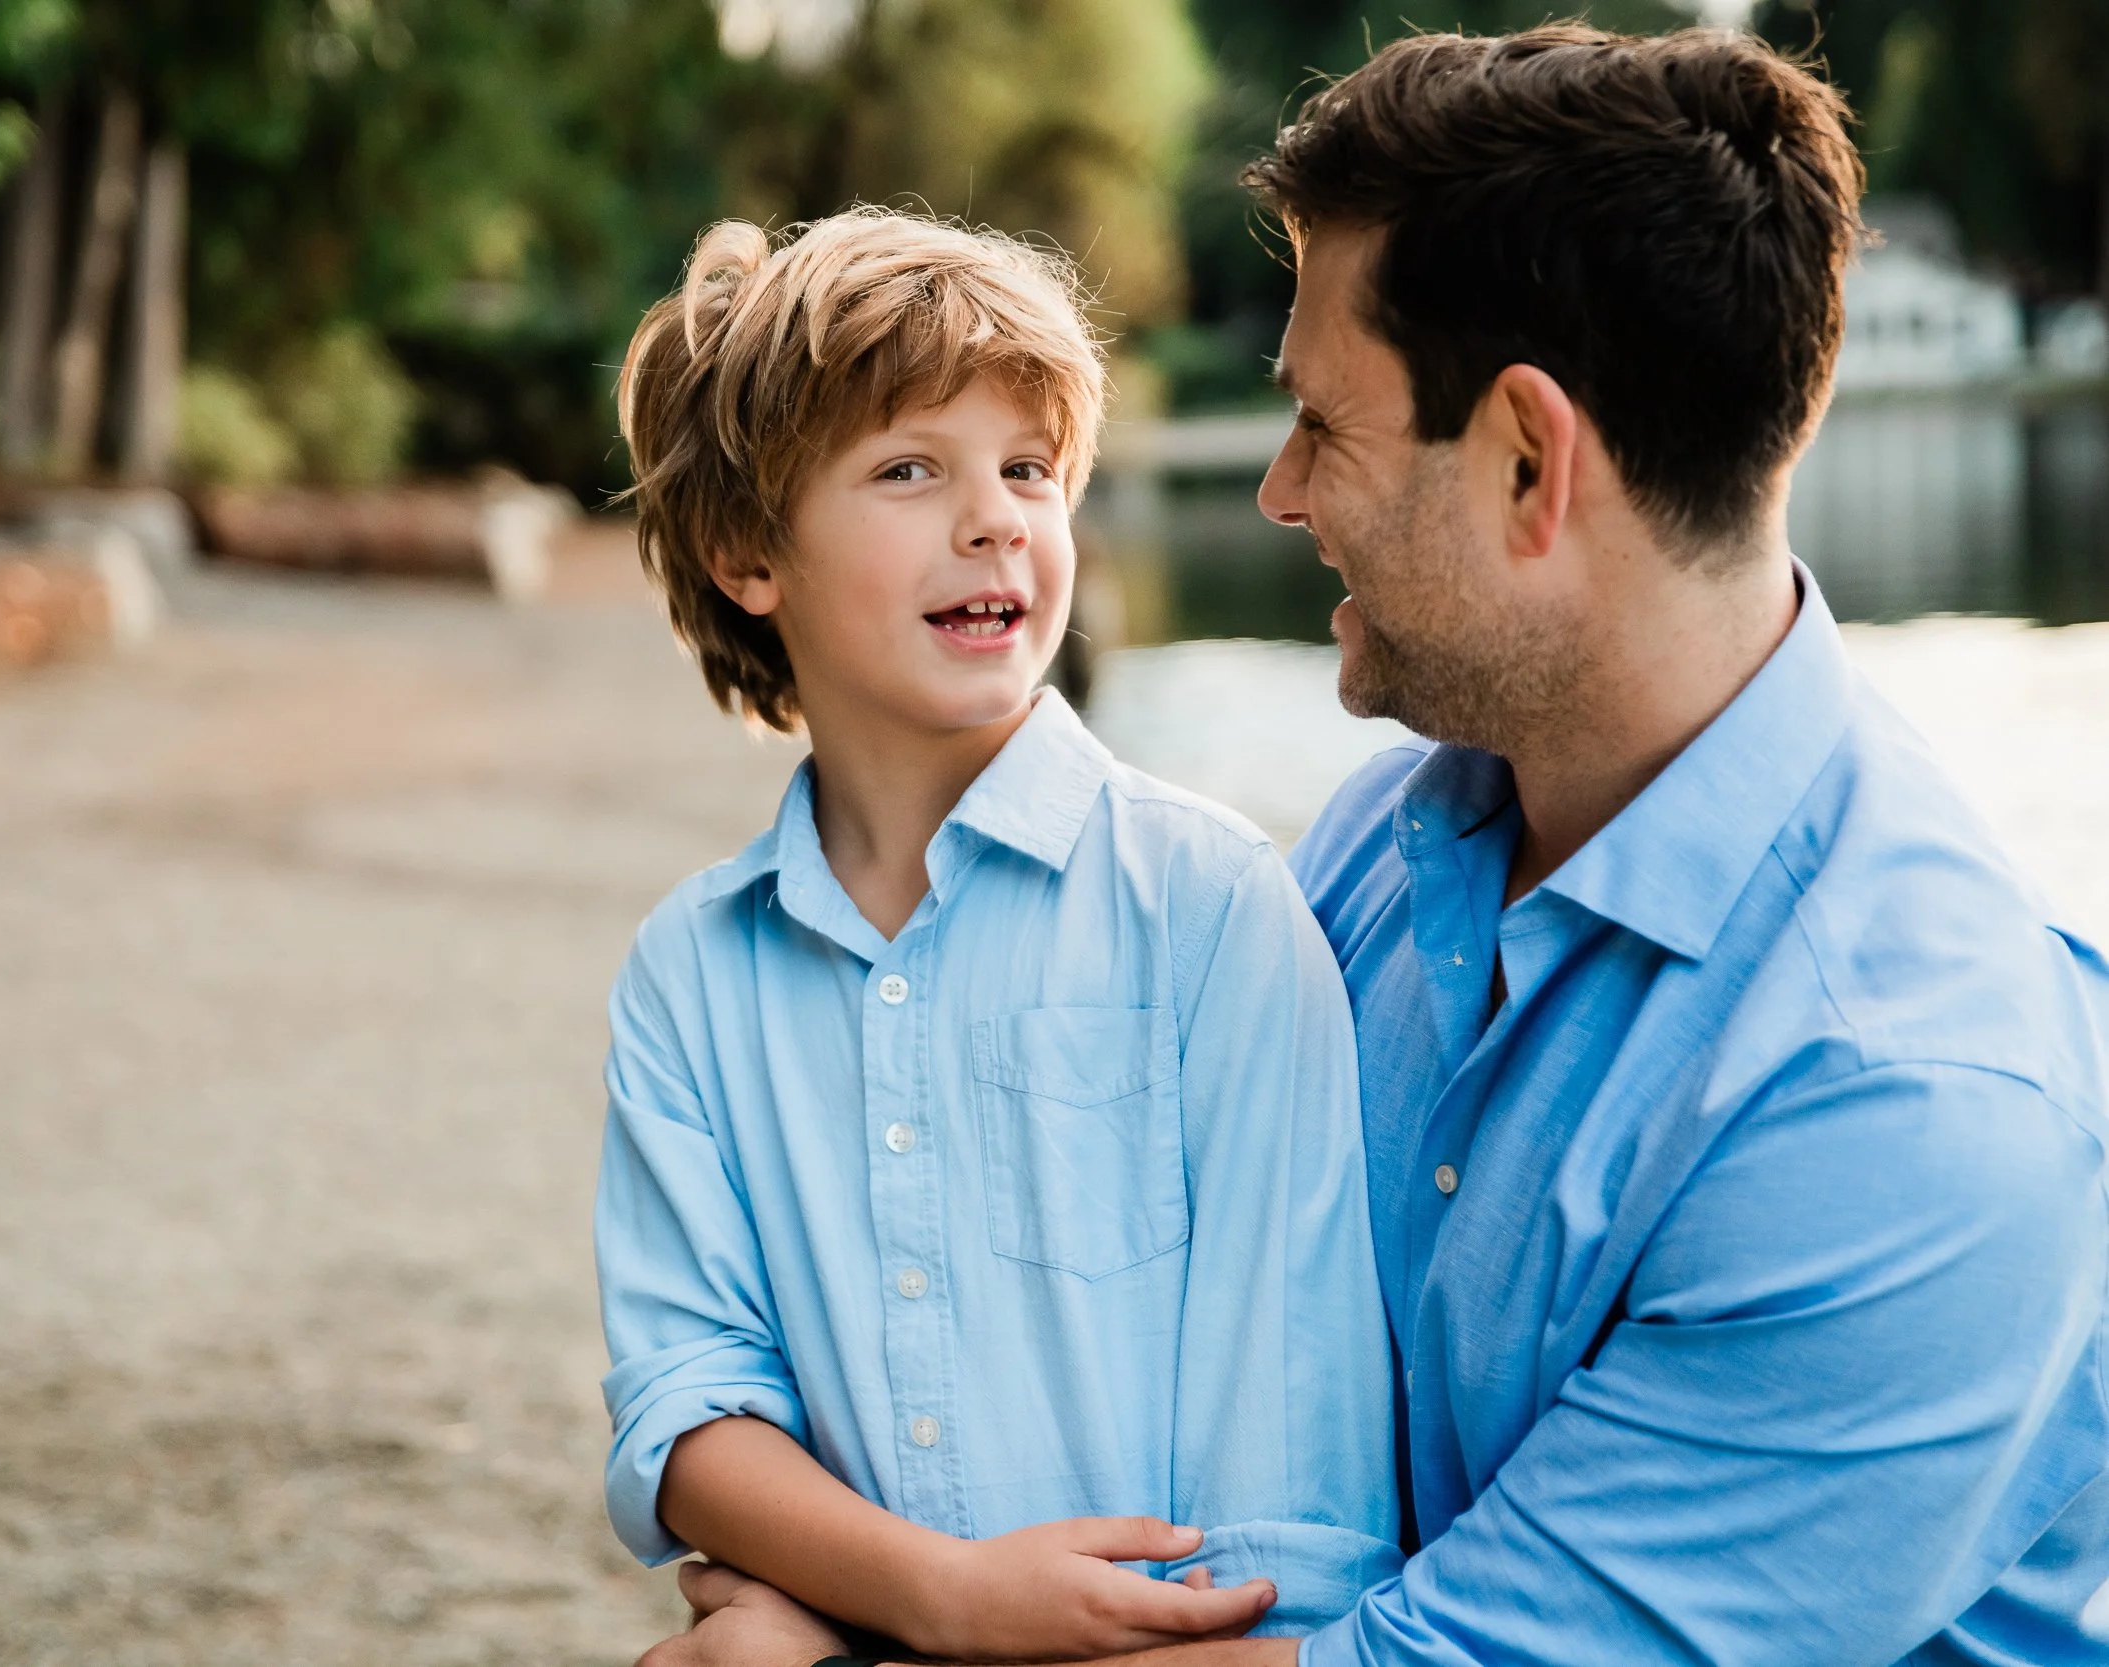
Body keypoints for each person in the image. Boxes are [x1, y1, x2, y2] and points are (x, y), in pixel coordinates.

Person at [645, 27, 2109, 1667]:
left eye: (1322, 427)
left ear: (1528, 463)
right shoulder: (1383, 856)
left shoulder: (1909, 1105)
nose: (1274, 493)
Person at [593, 208, 1403, 1664]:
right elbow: (689, 1406)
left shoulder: (1211, 907)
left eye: (1030, 469)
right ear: (743, 552)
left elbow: (1296, 1520)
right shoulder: (691, 975)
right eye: (911, 468)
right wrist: (940, 1596)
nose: (996, 518)